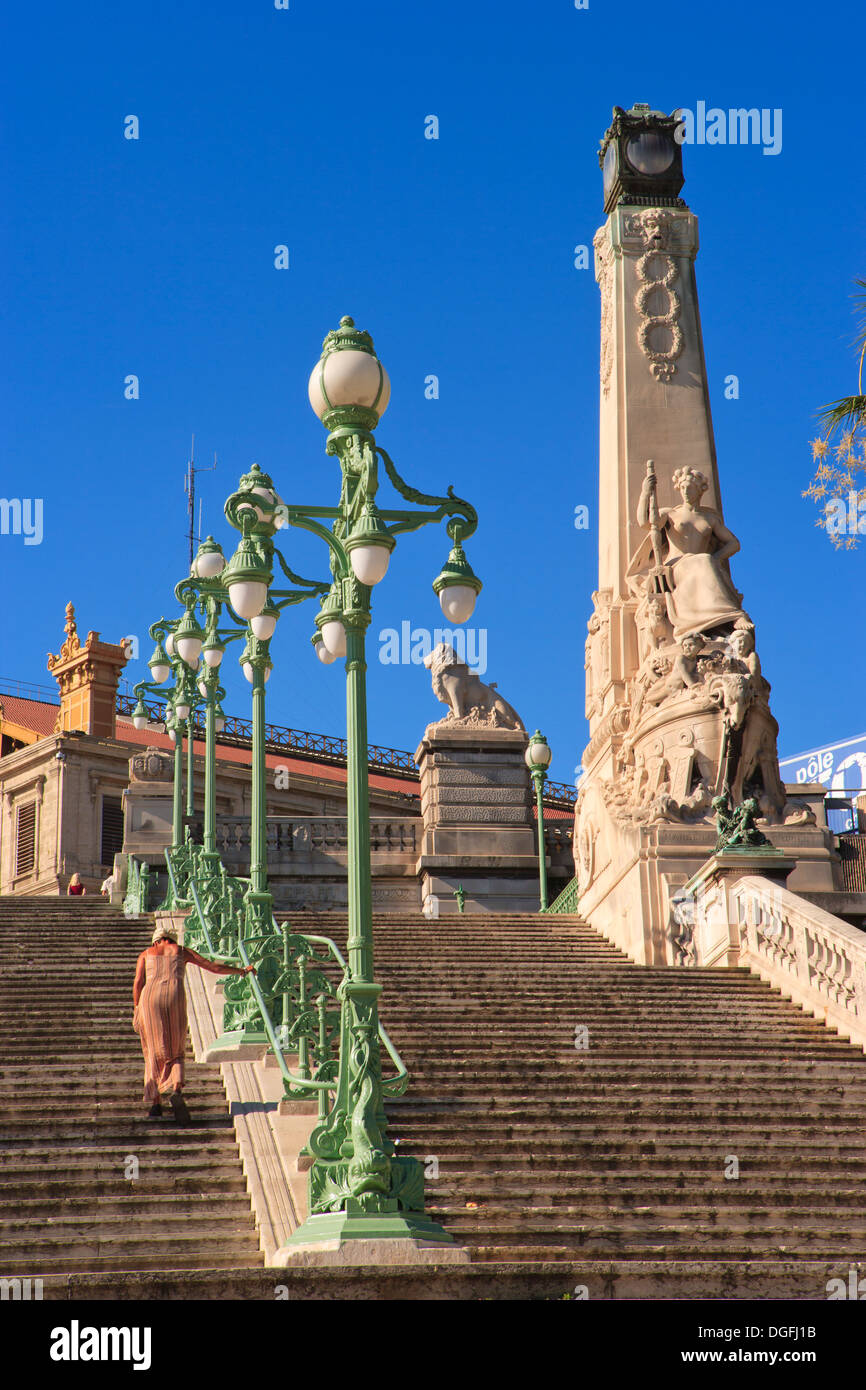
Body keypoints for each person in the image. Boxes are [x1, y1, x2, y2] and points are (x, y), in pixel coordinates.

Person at [132, 924, 255, 1122]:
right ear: (171, 939)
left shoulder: (146, 954)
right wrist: (241, 970)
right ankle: (176, 1089)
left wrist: (137, 1007)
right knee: (176, 1046)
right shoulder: (181, 951)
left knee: (152, 1050)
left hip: (149, 1000)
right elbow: (213, 967)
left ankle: (156, 1103)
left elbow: (138, 982)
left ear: (156, 940)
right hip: (174, 997)